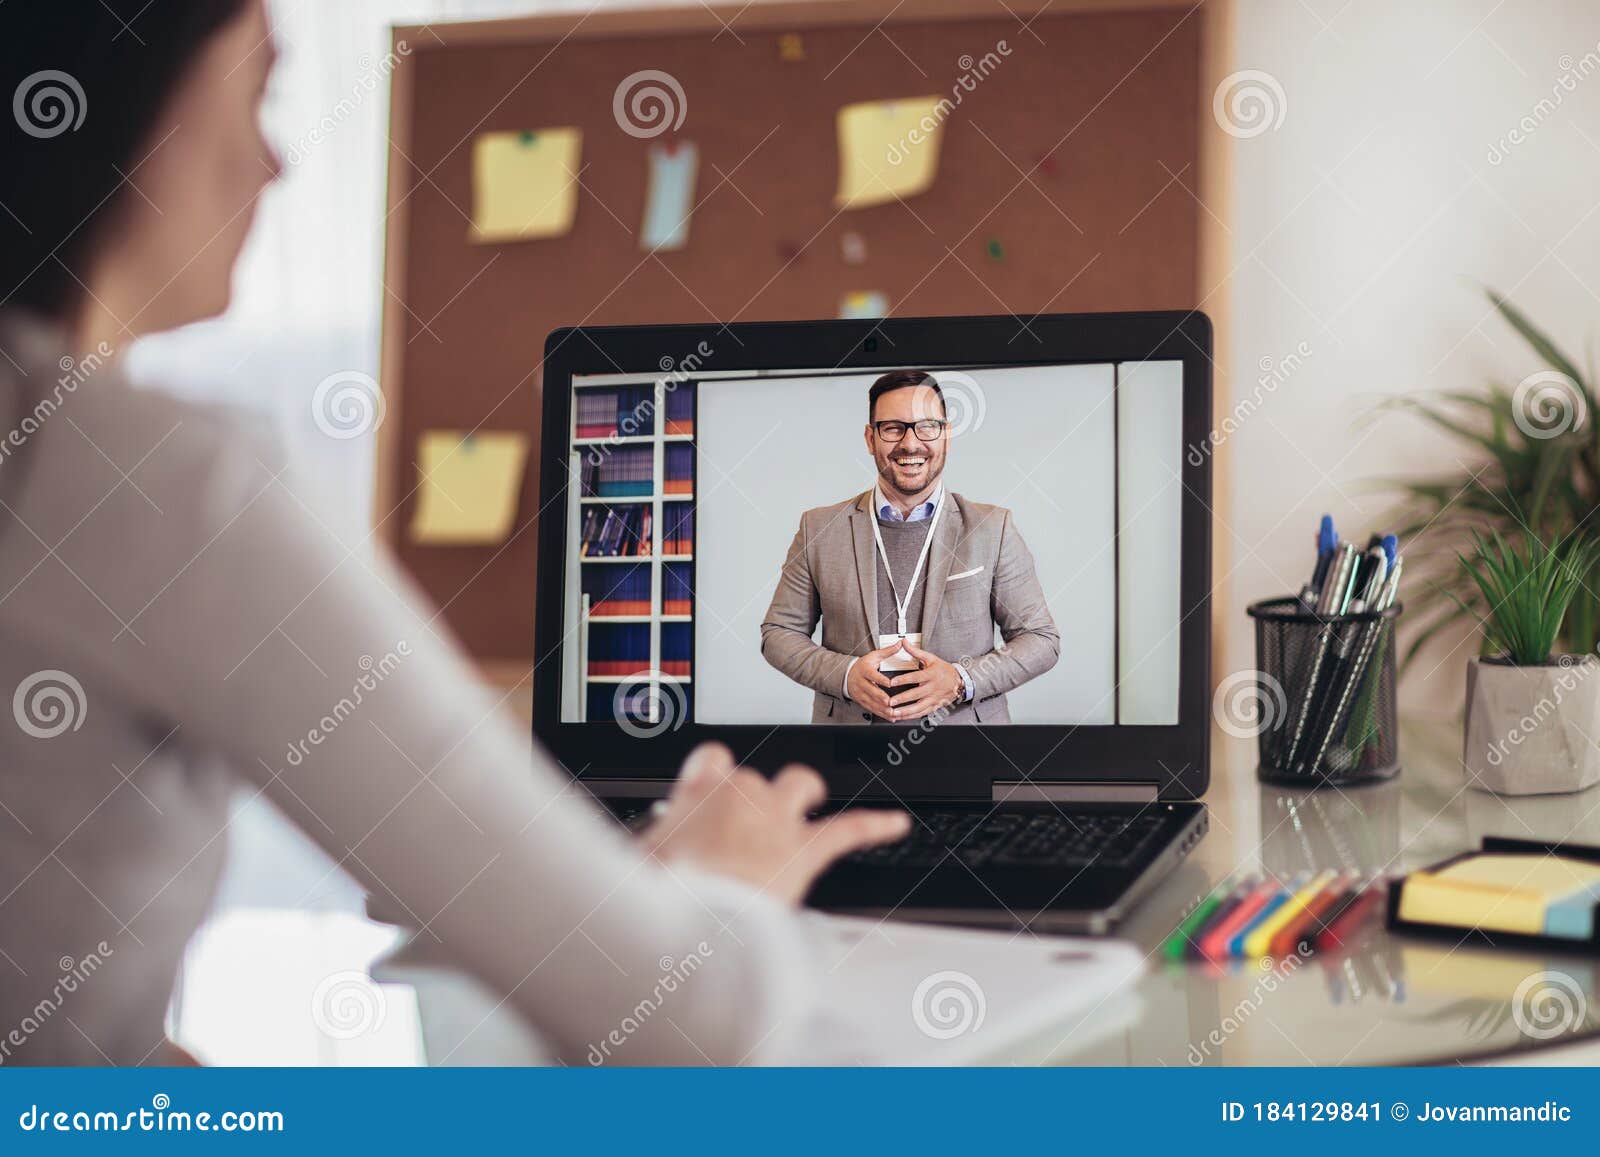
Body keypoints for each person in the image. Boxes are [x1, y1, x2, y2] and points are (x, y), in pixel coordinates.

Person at [0, 0, 908, 1066]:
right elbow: (685, 1020)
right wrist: (719, 884)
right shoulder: (139, 482)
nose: (274, 163)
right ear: (122, 105)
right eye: (258, 94)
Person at [761, 370, 1059, 724]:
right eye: (893, 428)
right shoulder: (819, 528)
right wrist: (845, 674)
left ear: (946, 435)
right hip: (847, 742)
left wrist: (961, 681)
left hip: (965, 743)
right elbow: (778, 634)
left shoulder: (992, 528)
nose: (910, 443)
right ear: (871, 439)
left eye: (927, 426)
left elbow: (1040, 640)